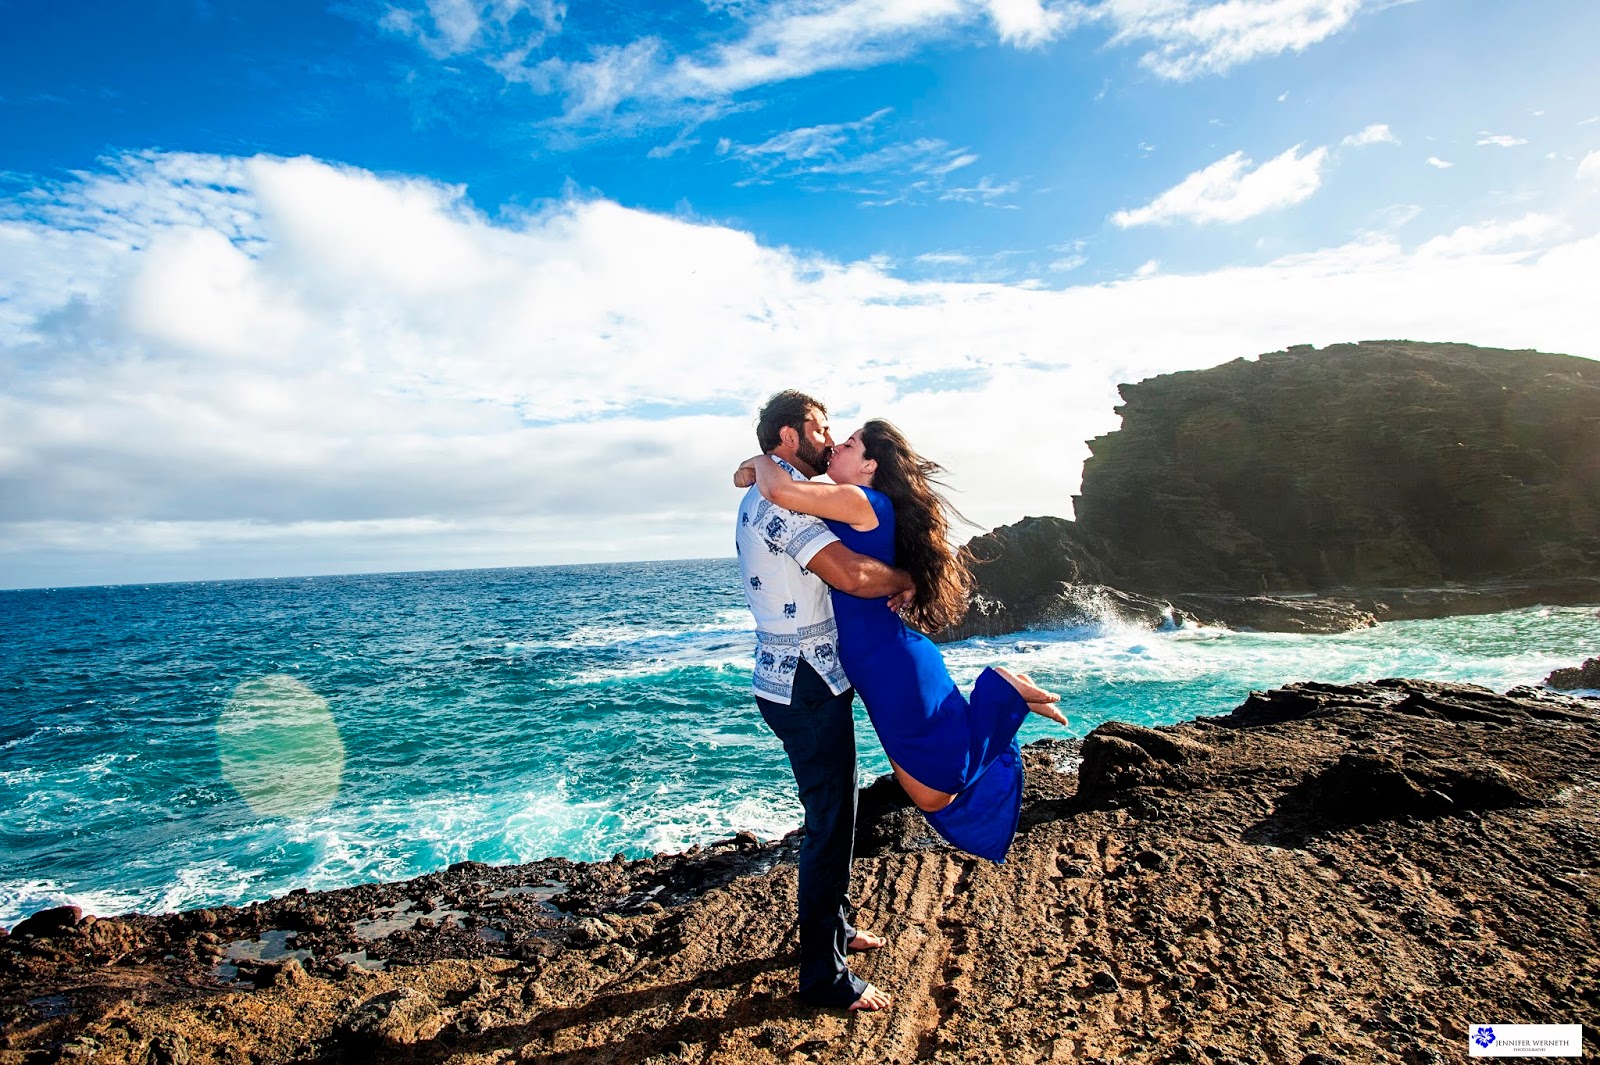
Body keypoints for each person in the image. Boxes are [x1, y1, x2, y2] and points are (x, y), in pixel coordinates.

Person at [737, 419, 1065, 866]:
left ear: (870, 464)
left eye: (849, 443)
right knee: (936, 786)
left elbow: (779, 493)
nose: (836, 445)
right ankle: (1000, 695)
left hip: (886, 660)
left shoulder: (857, 499)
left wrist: (758, 462)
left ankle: (1001, 691)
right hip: (883, 656)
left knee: (933, 795)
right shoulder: (858, 503)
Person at [735, 390, 913, 1013]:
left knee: (836, 816)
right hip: (804, 684)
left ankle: (831, 933)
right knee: (830, 826)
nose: (829, 439)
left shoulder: (774, 483)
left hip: (799, 677)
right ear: (788, 437)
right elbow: (850, 575)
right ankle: (824, 978)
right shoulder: (786, 506)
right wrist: (907, 580)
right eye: (819, 429)